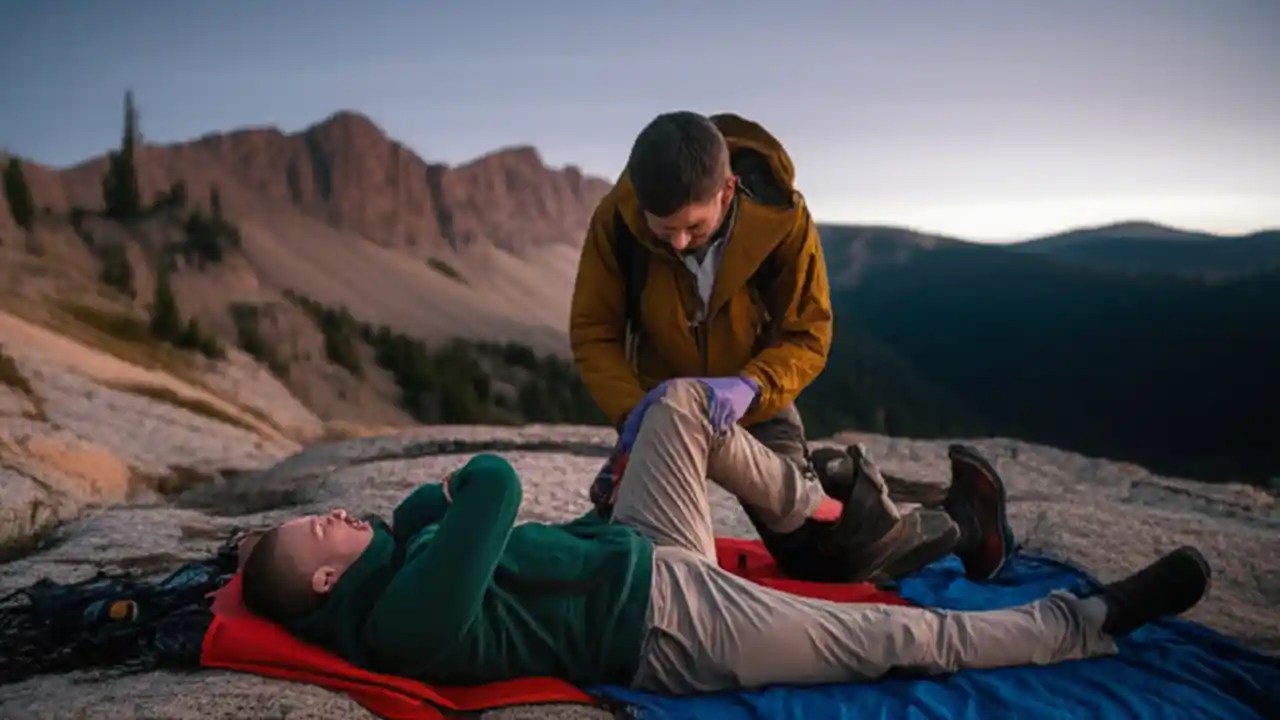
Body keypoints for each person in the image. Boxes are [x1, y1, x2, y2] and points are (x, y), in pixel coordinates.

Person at [240, 379, 1211, 695]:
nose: (332, 514)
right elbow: (486, 491)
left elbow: (422, 518)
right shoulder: (402, 621)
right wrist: (460, 488)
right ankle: (1079, 621)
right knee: (899, 642)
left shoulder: (393, 570)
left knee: (675, 403)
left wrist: (413, 516)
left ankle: (803, 506)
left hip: (642, 550)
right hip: (668, 622)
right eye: (316, 529)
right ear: (325, 582)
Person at [568, 110, 956, 582]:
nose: (678, 243)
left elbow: (808, 331)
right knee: (627, 561)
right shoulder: (616, 221)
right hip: (660, 413)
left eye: (693, 227)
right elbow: (595, 331)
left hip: (755, 403)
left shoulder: (781, 218)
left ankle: (925, 514)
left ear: (727, 190)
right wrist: (632, 414)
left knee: (822, 559)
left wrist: (751, 387)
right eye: (663, 230)